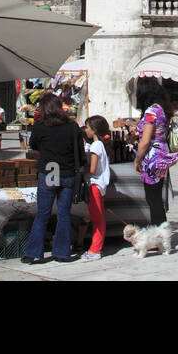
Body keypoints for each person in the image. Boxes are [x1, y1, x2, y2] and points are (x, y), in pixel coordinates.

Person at [22, 94, 85, 264]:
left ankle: (34, 252)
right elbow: (80, 151)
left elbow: (34, 145)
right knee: (64, 214)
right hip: (67, 173)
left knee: (43, 214)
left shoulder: (40, 126)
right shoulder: (72, 126)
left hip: (49, 172)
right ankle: (62, 252)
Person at [132, 79, 178, 226]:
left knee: (153, 199)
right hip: (161, 155)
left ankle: (159, 231)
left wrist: (137, 159)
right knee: (156, 197)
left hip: (152, 158)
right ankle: (159, 231)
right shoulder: (161, 109)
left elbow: (145, 141)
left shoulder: (151, 111)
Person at [82, 115, 112, 260]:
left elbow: (93, 169)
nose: (86, 130)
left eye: (87, 127)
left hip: (95, 184)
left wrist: (82, 169)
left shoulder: (95, 146)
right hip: (99, 185)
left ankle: (95, 249)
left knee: (97, 218)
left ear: (93, 130)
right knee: (97, 217)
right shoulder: (99, 144)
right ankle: (95, 248)